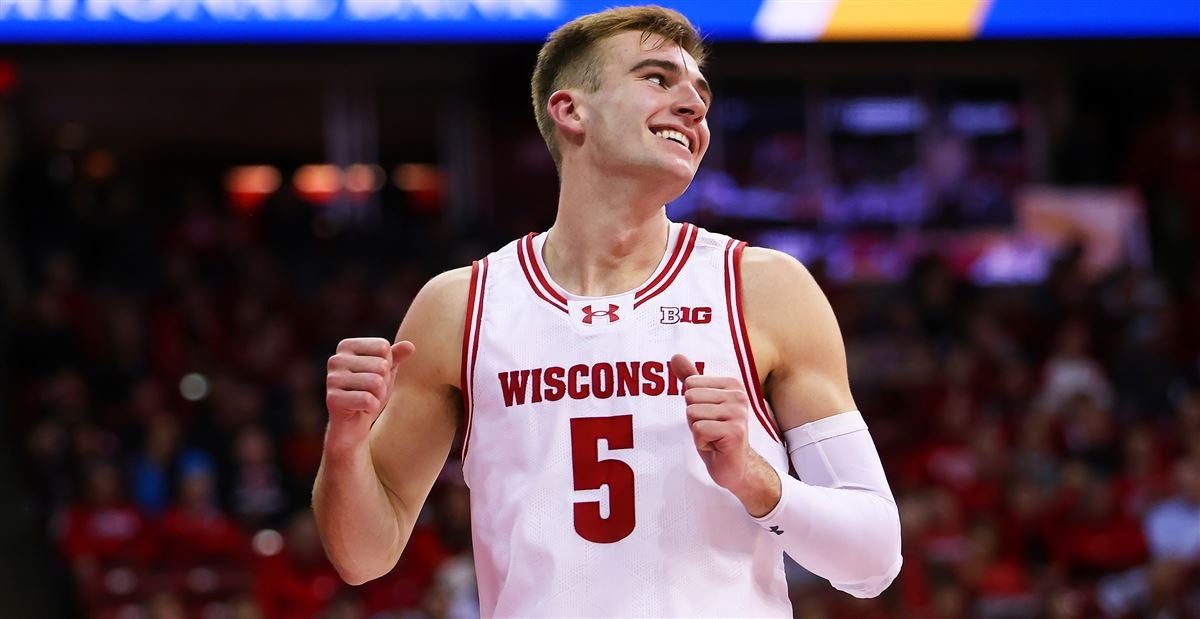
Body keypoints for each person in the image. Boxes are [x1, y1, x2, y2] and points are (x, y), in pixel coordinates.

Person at [313, 6, 901, 617]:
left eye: (700, 91)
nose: (694, 105)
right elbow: (362, 556)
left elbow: (875, 559)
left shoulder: (763, 288)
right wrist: (346, 442)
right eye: (656, 78)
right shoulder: (459, 306)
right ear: (570, 111)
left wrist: (755, 477)